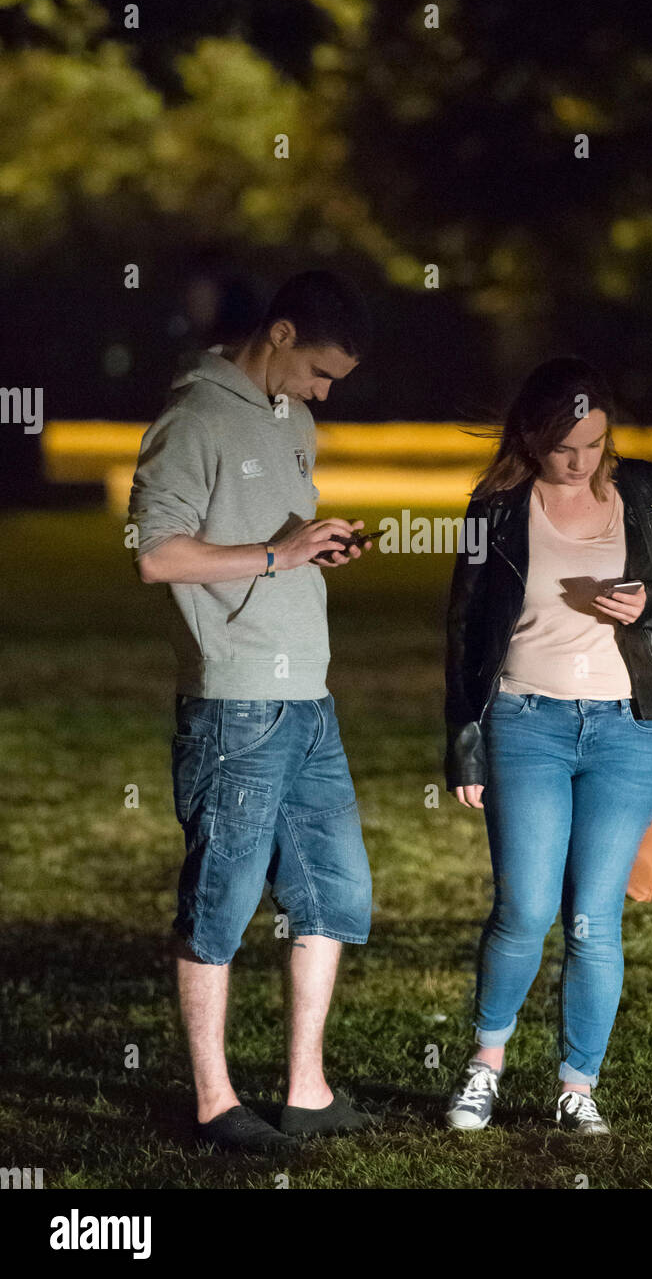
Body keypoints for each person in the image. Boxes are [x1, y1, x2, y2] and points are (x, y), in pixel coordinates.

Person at [128, 270, 374, 1155]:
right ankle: (213, 1102)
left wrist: (308, 551)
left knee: (337, 893)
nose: (322, 393)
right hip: (235, 701)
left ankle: (307, 1090)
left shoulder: (290, 421)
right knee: (221, 901)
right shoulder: (192, 418)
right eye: (317, 372)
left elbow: (272, 549)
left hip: (308, 694)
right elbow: (157, 555)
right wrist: (275, 554)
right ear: (277, 333)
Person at [443, 357, 652, 1136]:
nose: (581, 460)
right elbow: (462, 632)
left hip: (629, 730)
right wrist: (465, 745)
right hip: (526, 723)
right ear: (532, 436)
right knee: (524, 909)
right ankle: (484, 1067)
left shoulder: (651, 492)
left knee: (595, 920)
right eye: (565, 446)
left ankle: (577, 1085)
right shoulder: (492, 509)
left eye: (594, 444)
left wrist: (649, 602)